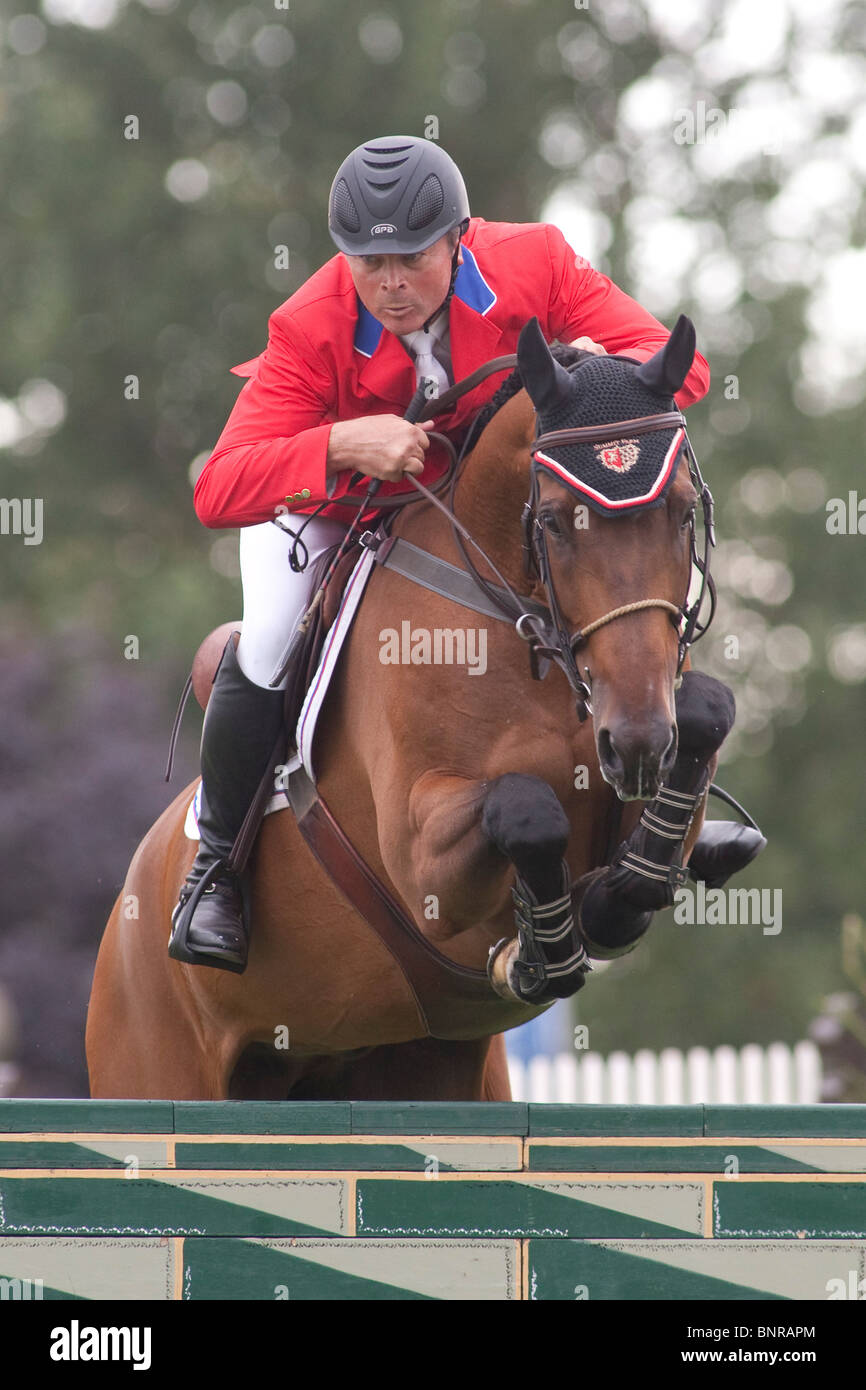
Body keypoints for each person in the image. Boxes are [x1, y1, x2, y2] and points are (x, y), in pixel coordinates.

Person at [169, 134, 739, 973]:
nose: (391, 283)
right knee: (264, 642)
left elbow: (674, 375)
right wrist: (340, 443)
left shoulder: (535, 263)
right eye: (369, 263)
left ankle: (664, 804)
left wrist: (575, 382)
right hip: (340, 509)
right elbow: (217, 488)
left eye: (411, 258)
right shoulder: (310, 325)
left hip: (502, 512)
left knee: (613, 574)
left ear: (458, 239)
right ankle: (216, 868)